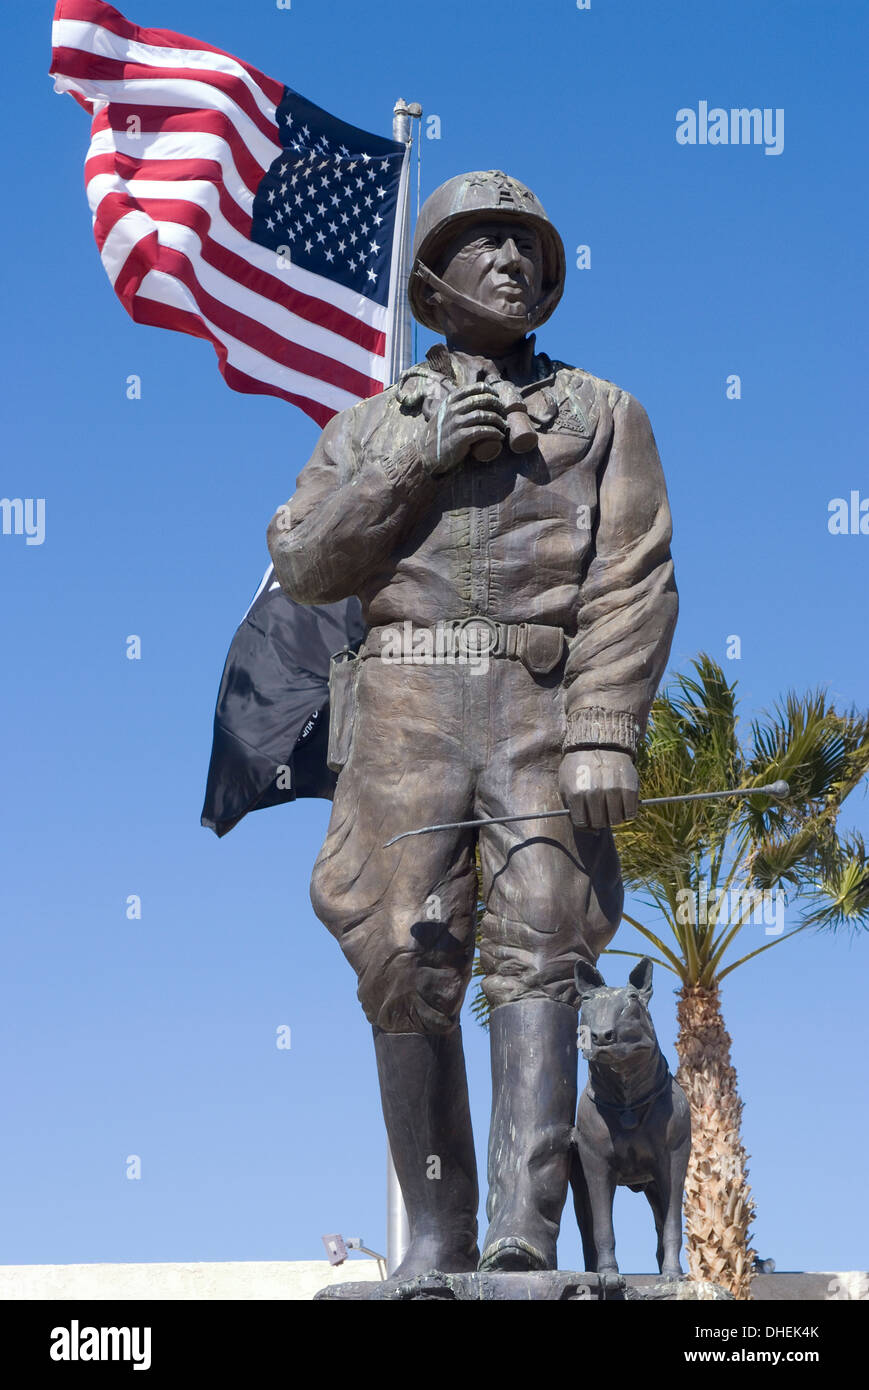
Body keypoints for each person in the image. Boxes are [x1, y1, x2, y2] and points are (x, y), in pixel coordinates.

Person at [267, 169, 678, 1276]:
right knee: (399, 955)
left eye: (524, 248)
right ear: (432, 285)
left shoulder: (604, 415)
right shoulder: (364, 428)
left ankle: (518, 1235)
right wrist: (416, 455)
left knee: (541, 942)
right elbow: (306, 564)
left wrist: (602, 725)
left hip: (540, 701)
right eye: (481, 245)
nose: (509, 261)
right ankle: (436, 1231)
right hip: (403, 708)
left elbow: (631, 578)